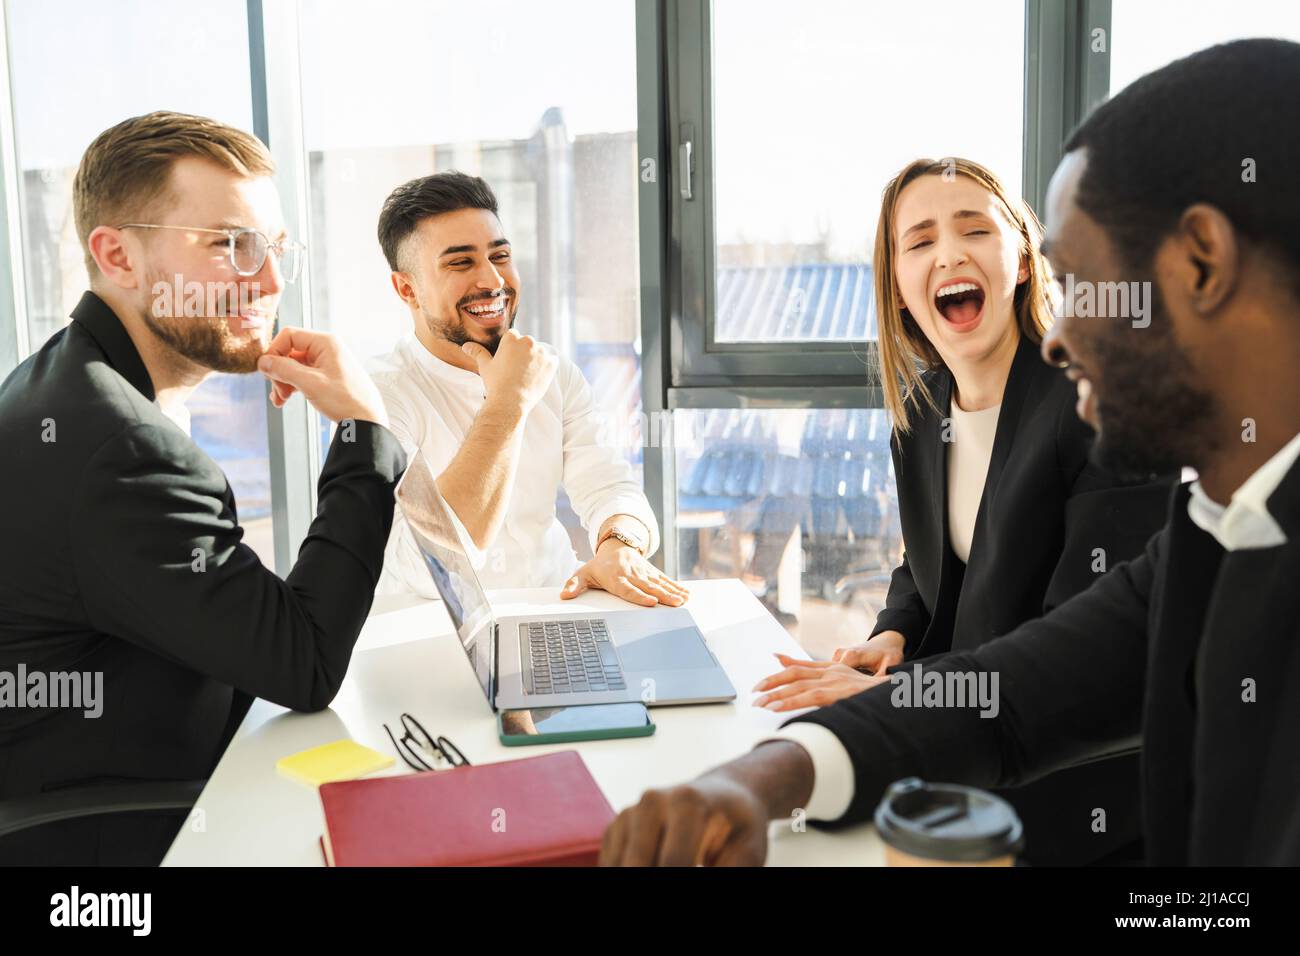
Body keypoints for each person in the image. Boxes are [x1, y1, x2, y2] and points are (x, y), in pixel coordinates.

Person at [600, 38, 1300, 867]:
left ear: (1200, 263)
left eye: (1077, 285)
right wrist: (765, 776)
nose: (1058, 335)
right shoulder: (1214, 525)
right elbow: (1014, 692)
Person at [0, 112, 405, 865]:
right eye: (230, 244)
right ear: (117, 254)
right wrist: (361, 427)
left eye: (276, 248)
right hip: (123, 831)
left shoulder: (74, 380)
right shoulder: (119, 448)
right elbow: (304, 664)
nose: (273, 281)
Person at [751, 157, 1175, 864]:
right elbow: (926, 567)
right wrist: (891, 638)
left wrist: (885, 694)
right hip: (961, 748)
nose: (947, 252)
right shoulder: (920, 419)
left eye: (974, 229)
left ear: (1020, 258)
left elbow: (1084, 656)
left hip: (1074, 792)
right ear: (898, 286)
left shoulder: (1096, 407)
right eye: (918, 241)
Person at [369, 172, 688, 609]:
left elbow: (609, 483)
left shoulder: (553, 372)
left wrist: (618, 546)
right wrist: (508, 403)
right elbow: (432, 559)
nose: (492, 281)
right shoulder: (378, 396)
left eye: (499, 256)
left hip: (554, 607)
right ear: (407, 289)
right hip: (434, 634)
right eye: (461, 263)